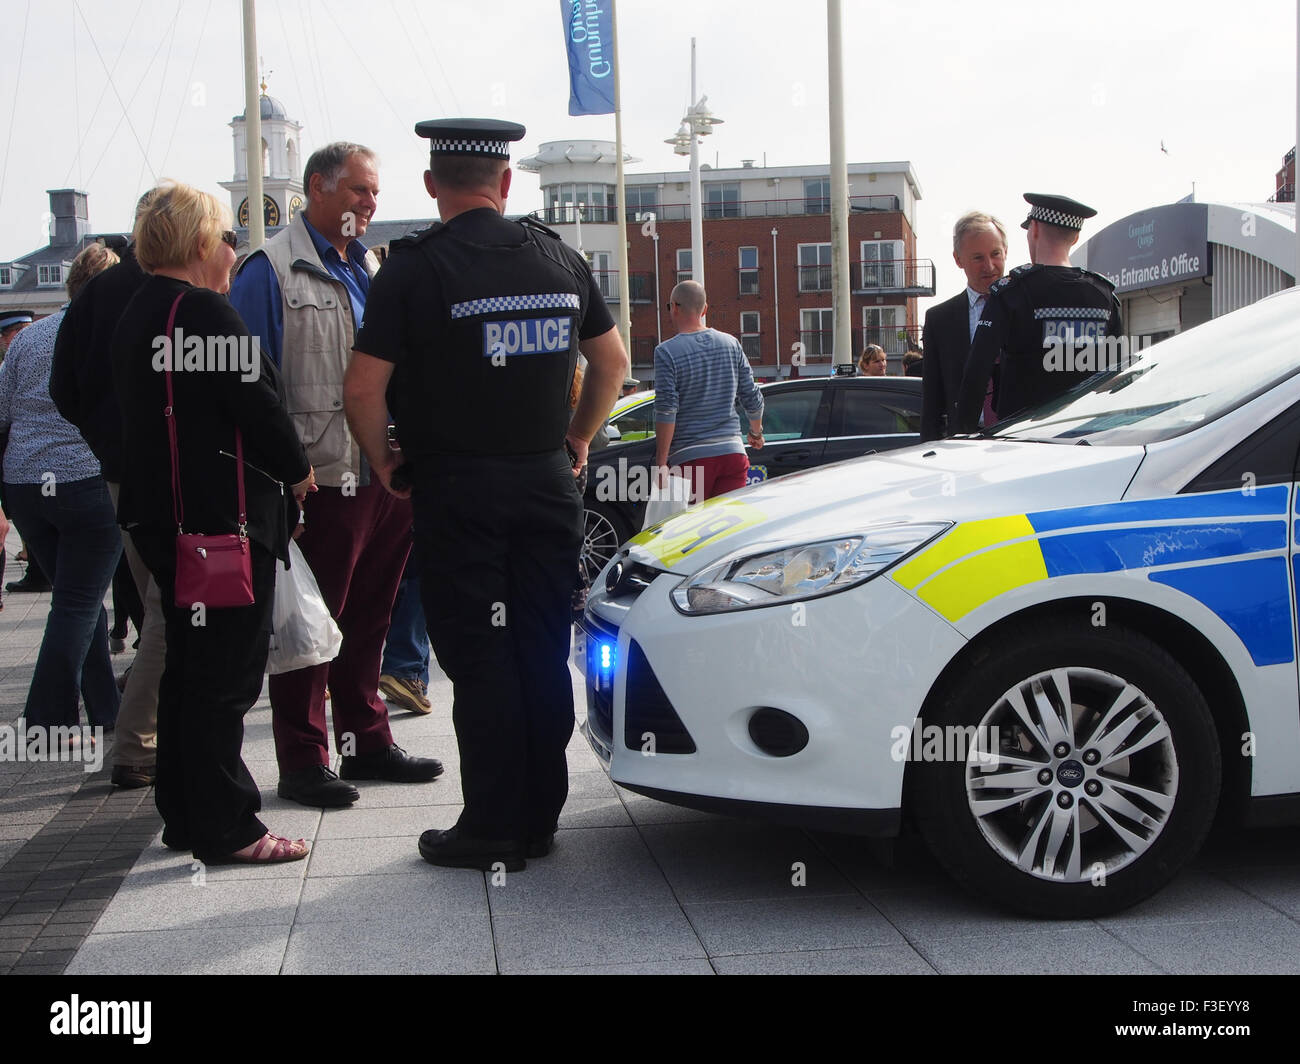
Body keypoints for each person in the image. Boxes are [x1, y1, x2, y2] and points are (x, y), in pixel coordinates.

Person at [345, 117, 628, 871]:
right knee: (538, 648)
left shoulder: (412, 270)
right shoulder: (557, 256)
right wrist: (575, 438)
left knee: (479, 656)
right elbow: (614, 363)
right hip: (544, 487)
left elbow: (363, 388)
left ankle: (495, 825)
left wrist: (385, 463)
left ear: (433, 185)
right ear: (505, 184)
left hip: (460, 490)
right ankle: (539, 814)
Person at [230, 142, 441, 808]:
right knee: (309, 627)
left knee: (371, 618)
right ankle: (303, 760)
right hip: (318, 482)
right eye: (356, 191)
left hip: (382, 474)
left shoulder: (370, 266)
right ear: (315, 189)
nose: (368, 204)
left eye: (374, 193)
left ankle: (367, 742)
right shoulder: (267, 270)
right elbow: (249, 383)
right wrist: (283, 475)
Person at [113, 180, 313, 864]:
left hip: (160, 520)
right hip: (219, 525)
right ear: (202, 243)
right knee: (225, 678)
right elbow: (260, 410)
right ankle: (229, 824)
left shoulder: (137, 308)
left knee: (189, 674)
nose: (233, 251)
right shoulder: (203, 312)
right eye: (227, 238)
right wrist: (297, 470)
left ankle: (186, 814)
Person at [51, 194, 165, 788]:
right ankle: (139, 743)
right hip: (167, 475)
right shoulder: (172, 292)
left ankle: (152, 736)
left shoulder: (97, 292)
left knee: (158, 606)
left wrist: (105, 441)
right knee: (172, 609)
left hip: (120, 473)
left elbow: (63, 387)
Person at [0, 247, 121, 730]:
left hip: (26, 486)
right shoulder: (111, 334)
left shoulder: (28, 339)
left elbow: (3, 413)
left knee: (78, 598)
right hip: (86, 481)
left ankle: (106, 707)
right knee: (77, 600)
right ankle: (46, 719)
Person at [957, 193, 1122, 432]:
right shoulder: (1105, 296)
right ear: (1075, 237)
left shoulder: (1010, 294)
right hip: (1087, 438)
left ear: (1034, 229)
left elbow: (975, 377)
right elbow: (1117, 376)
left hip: (1023, 441)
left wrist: (962, 438)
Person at [653, 280, 763, 502]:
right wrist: (756, 432)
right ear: (704, 309)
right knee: (727, 529)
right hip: (733, 453)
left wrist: (661, 463)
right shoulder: (731, 344)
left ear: (674, 307)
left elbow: (666, 410)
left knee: (693, 532)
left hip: (691, 458)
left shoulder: (666, 352)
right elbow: (751, 395)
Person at [920, 211, 1008, 441]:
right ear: (958, 260)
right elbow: (932, 402)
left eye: (995, 254)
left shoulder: (1028, 309)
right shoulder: (939, 320)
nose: (989, 266)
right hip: (963, 447)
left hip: (1020, 443)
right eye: (978, 257)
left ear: (1005, 251)